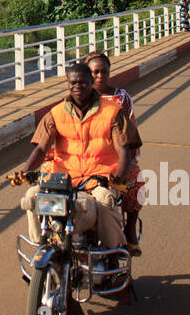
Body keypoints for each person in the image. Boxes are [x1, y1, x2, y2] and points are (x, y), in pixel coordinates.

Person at [13, 61, 128, 251]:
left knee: (105, 201)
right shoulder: (56, 113)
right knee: (31, 197)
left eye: (82, 82)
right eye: (73, 83)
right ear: (68, 83)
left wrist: (117, 178)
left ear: (91, 82)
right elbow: (41, 149)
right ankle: (40, 245)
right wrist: (25, 171)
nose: (77, 87)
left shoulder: (112, 112)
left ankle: (113, 252)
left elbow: (124, 151)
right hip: (63, 181)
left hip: (99, 180)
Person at [84, 51, 144, 254]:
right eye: (95, 72)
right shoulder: (79, 96)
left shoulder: (121, 98)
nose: (100, 76)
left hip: (118, 156)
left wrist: (126, 160)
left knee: (135, 182)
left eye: (104, 72)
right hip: (86, 157)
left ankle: (130, 229)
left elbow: (130, 133)